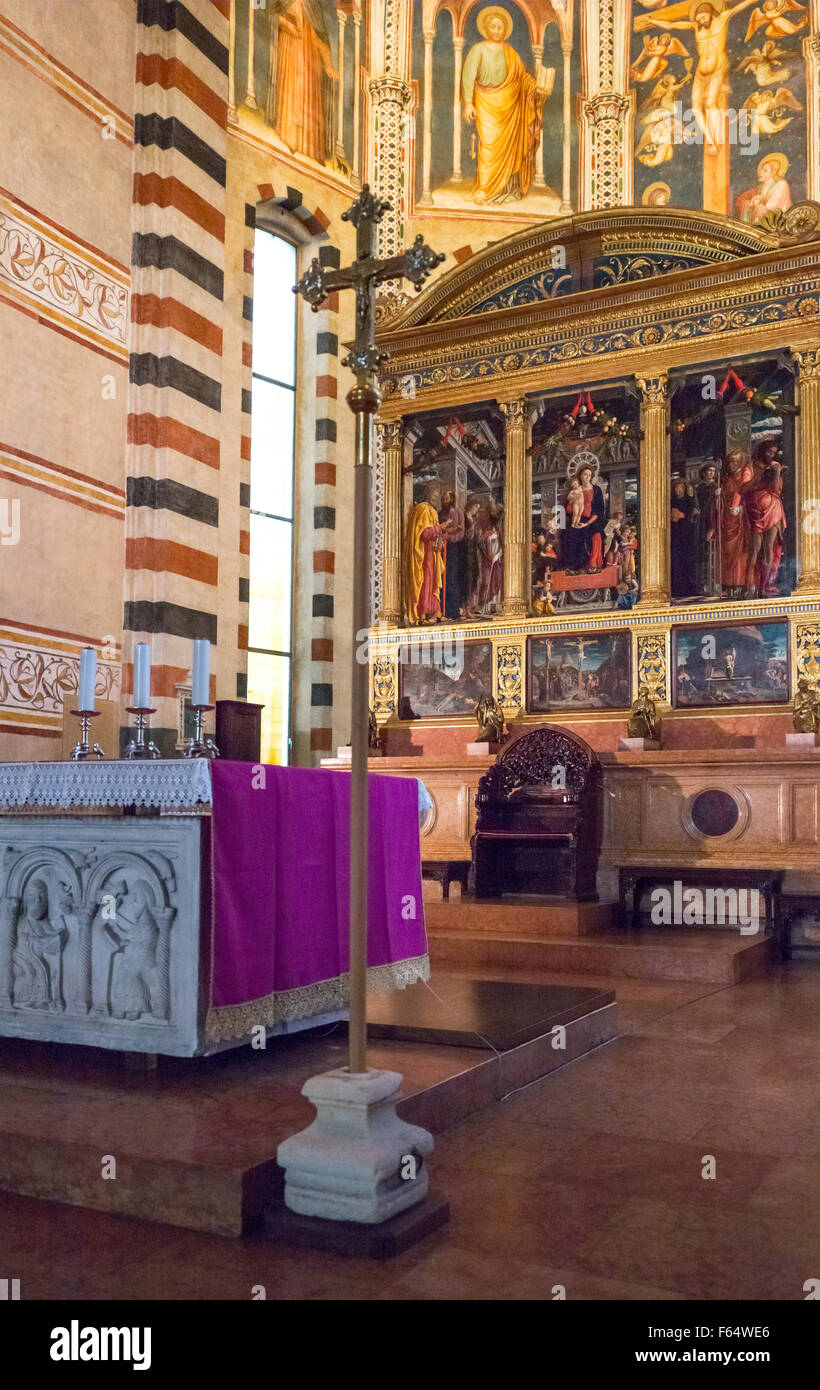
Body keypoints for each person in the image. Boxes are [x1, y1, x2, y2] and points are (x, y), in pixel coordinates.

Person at [461, 6, 549, 205]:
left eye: (500, 27)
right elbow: (468, 76)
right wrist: (468, 103)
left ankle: (508, 187)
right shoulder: (478, 50)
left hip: (510, 104)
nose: (497, 30)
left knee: (511, 146)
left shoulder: (510, 52)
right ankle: (484, 189)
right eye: (493, 26)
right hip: (485, 102)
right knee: (488, 147)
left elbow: (522, 77)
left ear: (505, 30)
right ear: (486, 28)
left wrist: (537, 86)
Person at [13, 878, 67, 1012]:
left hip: (36, 956)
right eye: (33, 896)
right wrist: (40, 940)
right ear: (26, 901)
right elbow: (23, 940)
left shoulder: (44, 923)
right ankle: (30, 999)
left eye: (41, 896)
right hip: (24, 956)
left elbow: (50, 935)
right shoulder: (23, 922)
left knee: (43, 968)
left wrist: (58, 934)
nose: (38, 901)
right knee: (36, 969)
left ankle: (41, 1000)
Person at [405, 484, 448, 625]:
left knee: (433, 583)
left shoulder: (433, 511)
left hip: (432, 553)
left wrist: (440, 539)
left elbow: (434, 534)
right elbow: (424, 533)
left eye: (438, 496)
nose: (436, 498)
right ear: (428, 493)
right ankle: (422, 615)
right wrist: (439, 528)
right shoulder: (423, 508)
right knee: (426, 583)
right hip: (423, 555)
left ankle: (435, 613)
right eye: (434, 495)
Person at [719, 449, 755, 595]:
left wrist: (741, 508)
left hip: (741, 521)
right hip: (727, 520)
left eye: (735, 461)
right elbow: (723, 499)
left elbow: (748, 496)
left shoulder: (745, 478)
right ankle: (729, 585)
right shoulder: (727, 480)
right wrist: (718, 499)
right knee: (727, 554)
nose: (732, 464)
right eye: (730, 461)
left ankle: (741, 584)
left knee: (741, 554)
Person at [560, 465, 607, 570]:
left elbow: (599, 511)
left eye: (589, 475)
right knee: (568, 534)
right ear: (580, 476)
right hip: (577, 519)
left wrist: (587, 523)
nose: (587, 477)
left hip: (592, 521)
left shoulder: (596, 490)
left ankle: (593, 563)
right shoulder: (575, 490)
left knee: (596, 534)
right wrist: (571, 501)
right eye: (585, 474)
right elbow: (568, 510)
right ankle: (573, 566)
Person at [735, 153, 792, 224]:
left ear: (773, 173)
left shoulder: (781, 185)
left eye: (765, 171)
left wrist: (757, 206)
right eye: (761, 169)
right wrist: (750, 203)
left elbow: (772, 212)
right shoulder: (760, 188)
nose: (760, 172)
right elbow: (740, 201)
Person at [438, 490, 466, 620]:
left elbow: (460, 533)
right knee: (442, 578)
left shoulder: (458, 512)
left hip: (454, 549)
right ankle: (443, 610)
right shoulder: (440, 514)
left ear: (452, 500)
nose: (444, 502)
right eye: (443, 500)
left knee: (452, 579)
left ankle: (454, 611)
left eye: (446, 499)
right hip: (442, 549)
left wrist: (448, 535)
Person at [670, 477, 697, 597]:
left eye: (680, 488)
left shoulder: (689, 501)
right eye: (676, 488)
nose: (678, 490)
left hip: (686, 537)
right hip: (675, 537)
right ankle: (676, 589)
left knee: (687, 562)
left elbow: (694, 517)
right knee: (676, 563)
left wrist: (682, 516)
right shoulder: (671, 502)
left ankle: (688, 589)